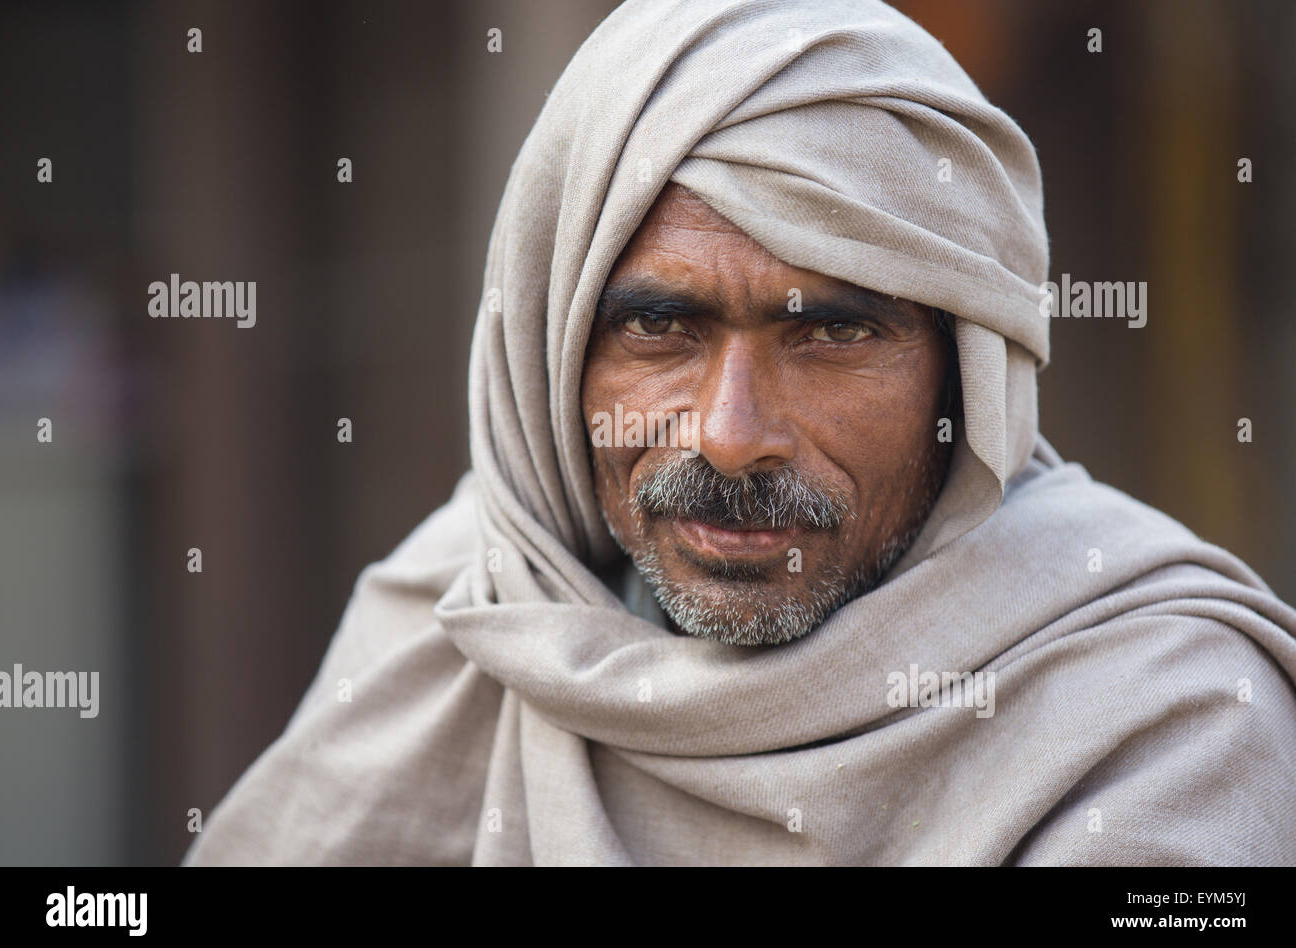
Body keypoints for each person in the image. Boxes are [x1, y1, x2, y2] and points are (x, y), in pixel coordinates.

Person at [184, 0, 1296, 865]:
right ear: (550, 358)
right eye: (660, 325)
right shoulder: (459, 620)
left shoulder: (1164, 717)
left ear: (965, 372)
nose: (729, 437)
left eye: (832, 333)